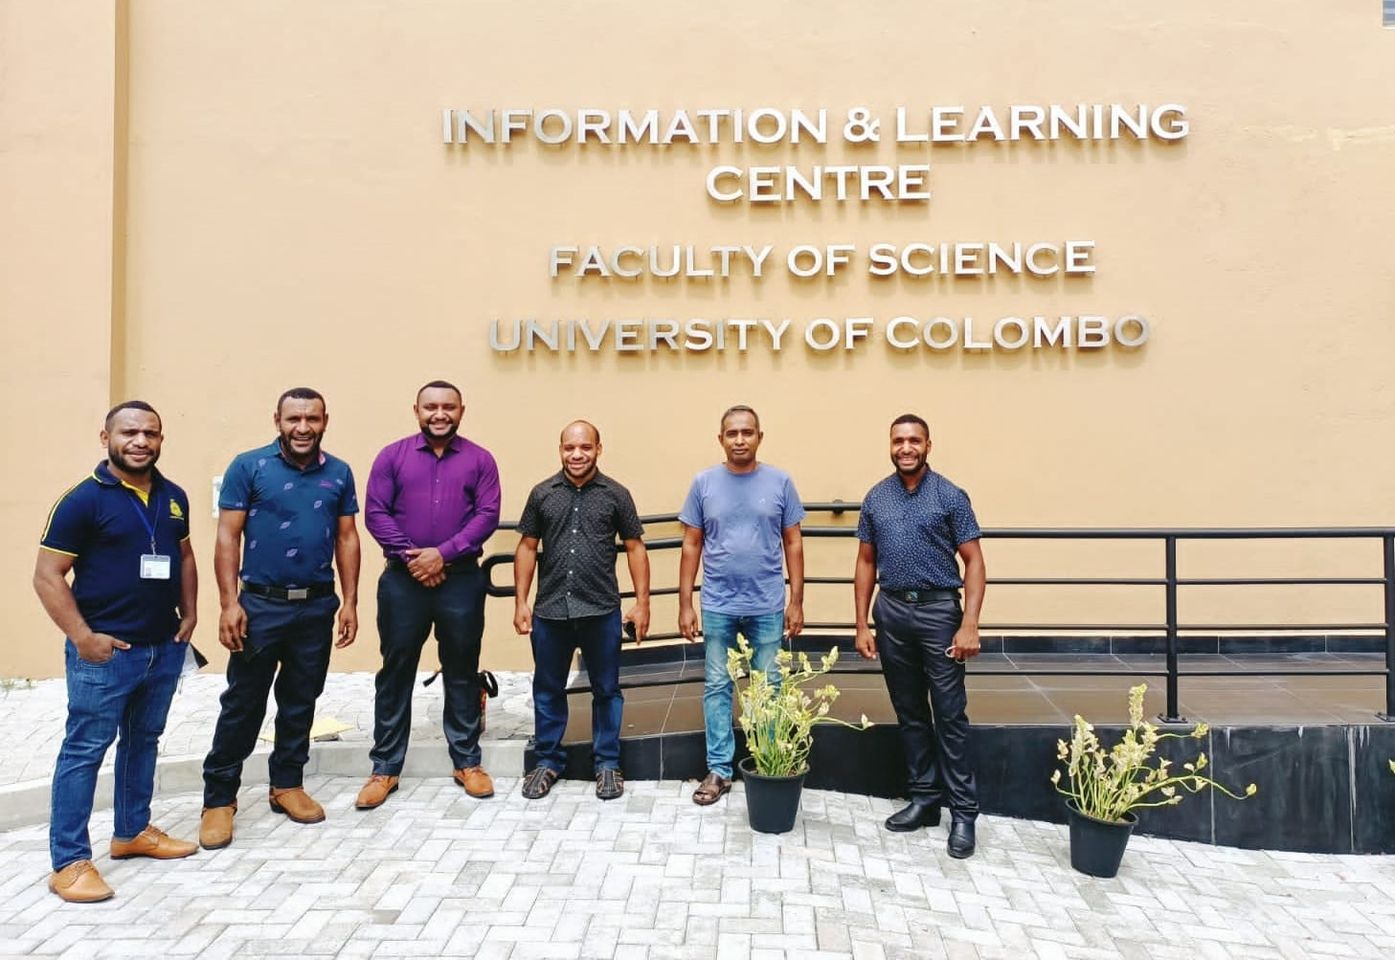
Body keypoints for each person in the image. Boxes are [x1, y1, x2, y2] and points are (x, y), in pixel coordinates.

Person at [33, 401, 199, 902]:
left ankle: (131, 833)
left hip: (162, 647)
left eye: (151, 432)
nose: (141, 441)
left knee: (143, 741)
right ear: (105, 437)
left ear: (161, 439)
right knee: (85, 750)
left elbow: (184, 556)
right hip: (107, 653)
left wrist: (189, 614)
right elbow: (47, 575)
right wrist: (84, 637)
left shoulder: (173, 496)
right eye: (130, 432)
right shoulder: (82, 500)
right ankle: (69, 862)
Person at [199, 387, 360, 848]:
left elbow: (347, 539)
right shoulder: (249, 466)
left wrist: (349, 601)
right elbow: (227, 538)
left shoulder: (340, 472)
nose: (303, 427)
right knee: (243, 703)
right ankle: (218, 800)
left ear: (325, 420)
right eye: (294, 419)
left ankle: (287, 784)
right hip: (261, 606)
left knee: (301, 699)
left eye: (312, 418)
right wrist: (230, 603)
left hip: (316, 604)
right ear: (278, 420)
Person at [356, 380, 501, 809]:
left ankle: (467, 761)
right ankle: (385, 767)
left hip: (460, 580)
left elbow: (488, 514)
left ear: (462, 410)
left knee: (461, 667)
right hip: (403, 582)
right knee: (396, 670)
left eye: (449, 407)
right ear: (416, 410)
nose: (440, 414)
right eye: (431, 407)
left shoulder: (480, 459)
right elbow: (376, 512)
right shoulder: (392, 456)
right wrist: (415, 558)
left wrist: (443, 554)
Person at [853, 413, 986, 858]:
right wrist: (861, 623)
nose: (905, 447)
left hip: (938, 613)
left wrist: (969, 622)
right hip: (891, 611)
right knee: (909, 711)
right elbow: (866, 562)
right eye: (898, 441)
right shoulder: (876, 498)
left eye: (913, 440)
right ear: (890, 445)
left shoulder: (950, 496)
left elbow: (974, 561)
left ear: (928, 445)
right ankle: (925, 800)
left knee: (949, 714)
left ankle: (963, 815)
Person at [512, 420, 650, 801]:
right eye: (570, 448)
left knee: (607, 690)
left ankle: (607, 763)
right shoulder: (542, 494)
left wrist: (642, 603)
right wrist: (521, 602)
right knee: (548, 690)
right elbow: (526, 547)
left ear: (598, 449)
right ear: (560, 449)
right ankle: (548, 761)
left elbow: (635, 547)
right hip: (550, 611)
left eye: (585, 447)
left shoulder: (616, 494)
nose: (577, 455)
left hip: (601, 610)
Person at [677, 405, 805, 805]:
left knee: (769, 687)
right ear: (720, 439)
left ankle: (767, 762)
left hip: (767, 604)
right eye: (732, 433)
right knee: (717, 685)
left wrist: (796, 599)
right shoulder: (704, 483)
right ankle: (719, 769)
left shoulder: (780, 482)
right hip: (717, 603)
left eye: (747, 432)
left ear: (759, 437)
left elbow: (794, 542)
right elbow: (691, 543)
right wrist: (685, 603)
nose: (739, 440)